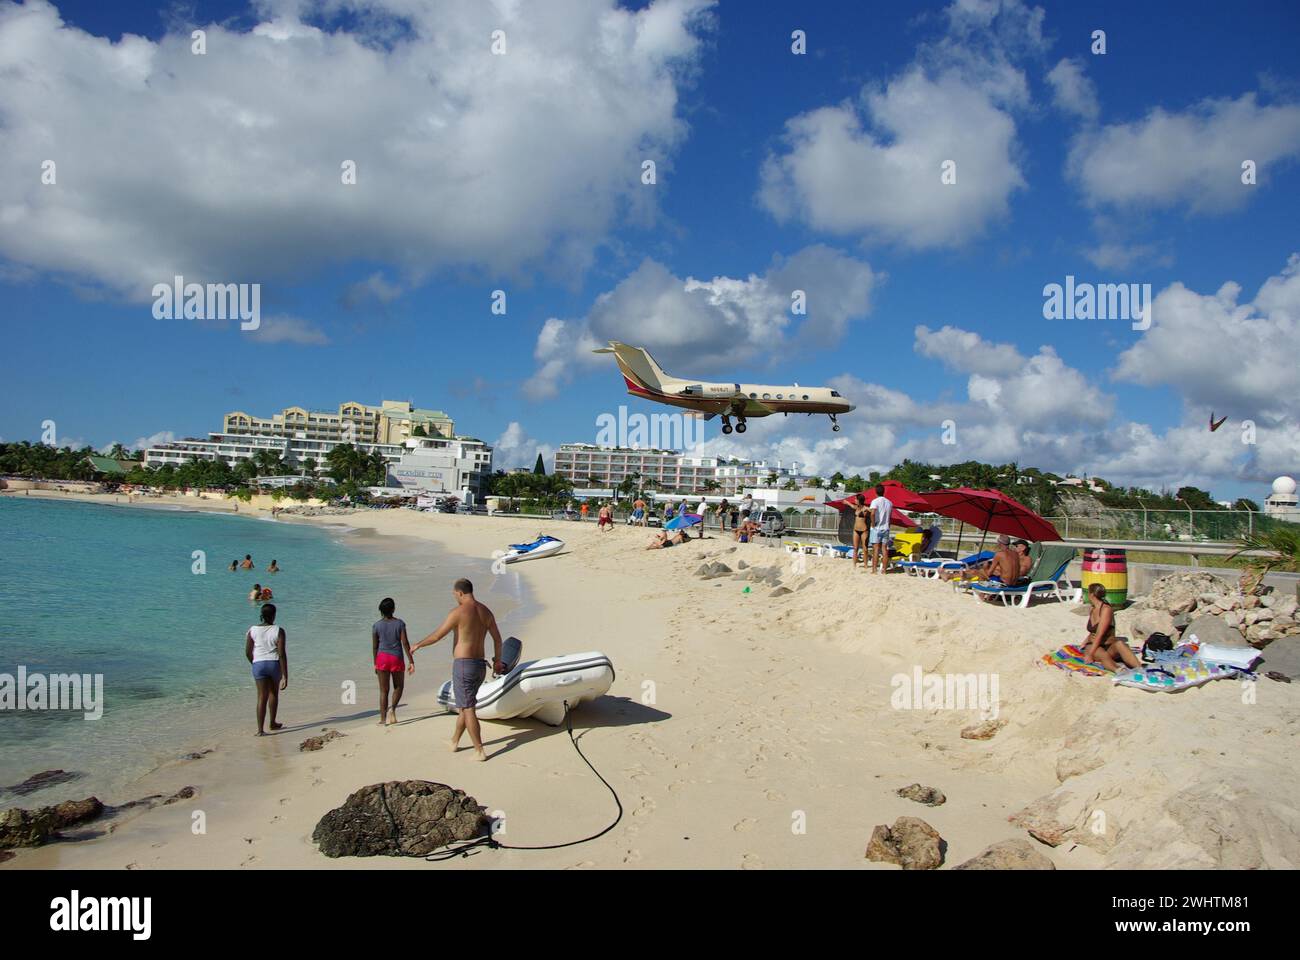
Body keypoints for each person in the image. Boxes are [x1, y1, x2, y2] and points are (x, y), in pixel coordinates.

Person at [410, 579, 505, 762]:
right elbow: (498, 639)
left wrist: (418, 645)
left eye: (454, 595)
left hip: (463, 665)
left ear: (460, 593)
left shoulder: (458, 612)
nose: (455, 597)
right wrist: (498, 660)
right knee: (465, 706)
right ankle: (454, 741)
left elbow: (438, 635)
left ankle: (479, 750)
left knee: (468, 708)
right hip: (480, 666)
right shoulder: (486, 611)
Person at [245, 603, 287, 736]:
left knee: (261, 697)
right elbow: (281, 654)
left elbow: (247, 651)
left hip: (259, 664)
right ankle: (273, 723)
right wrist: (285, 675)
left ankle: (260, 730)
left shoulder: (252, 630)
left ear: (262, 615)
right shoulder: (279, 630)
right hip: (274, 663)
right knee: (273, 694)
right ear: (274, 615)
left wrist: (255, 663)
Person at [372, 597, 414, 726]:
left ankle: (383, 720)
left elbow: (375, 646)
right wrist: (411, 661)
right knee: (399, 686)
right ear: (393, 609)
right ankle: (393, 709)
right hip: (396, 658)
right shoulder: (400, 624)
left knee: (383, 691)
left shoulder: (376, 626)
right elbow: (405, 643)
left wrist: (375, 663)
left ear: (381, 611)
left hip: (382, 658)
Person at [1083, 583, 1140, 671]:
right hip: (1093, 646)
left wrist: (1090, 655)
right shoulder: (1092, 609)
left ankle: (1140, 669)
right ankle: (1117, 670)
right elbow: (1093, 631)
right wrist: (1084, 643)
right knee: (1102, 654)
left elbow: (1099, 634)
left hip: (1109, 646)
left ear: (1091, 595)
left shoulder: (1106, 609)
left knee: (1120, 644)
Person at [867, 485, 893, 574]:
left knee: (876, 549)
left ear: (875, 492)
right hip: (886, 527)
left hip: (877, 527)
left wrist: (873, 524)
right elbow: (890, 516)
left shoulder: (875, 501)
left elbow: (872, 513)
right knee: (884, 549)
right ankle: (884, 570)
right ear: (883, 491)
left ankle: (874, 570)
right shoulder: (889, 502)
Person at [851, 493, 871, 566]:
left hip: (864, 530)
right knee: (855, 548)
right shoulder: (856, 507)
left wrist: (869, 509)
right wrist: (846, 502)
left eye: (856, 499)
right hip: (855, 530)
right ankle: (854, 565)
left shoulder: (865, 508)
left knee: (865, 549)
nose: (855, 500)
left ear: (859, 500)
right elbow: (851, 505)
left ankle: (865, 565)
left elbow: (872, 511)